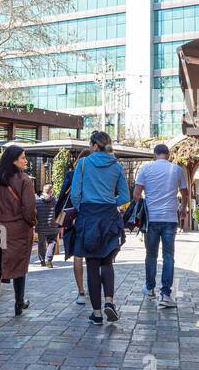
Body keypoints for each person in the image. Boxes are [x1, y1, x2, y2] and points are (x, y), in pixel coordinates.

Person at [70, 130, 130, 325]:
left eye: (90, 145)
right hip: (109, 217)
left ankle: (96, 313)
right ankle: (109, 302)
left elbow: (75, 195)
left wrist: (83, 208)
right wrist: (110, 202)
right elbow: (125, 197)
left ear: (95, 145)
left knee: (92, 265)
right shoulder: (117, 166)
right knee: (107, 262)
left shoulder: (83, 163)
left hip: (88, 216)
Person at [0, 144, 37, 330]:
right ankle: (19, 303)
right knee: (20, 264)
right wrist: (31, 223)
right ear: (13, 160)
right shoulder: (24, 180)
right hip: (18, 230)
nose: (26, 161)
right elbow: (28, 209)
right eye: (23, 157)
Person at [133, 143, 188, 307]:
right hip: (170, 219)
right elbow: (185, 194)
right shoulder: (177, 170)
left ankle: (150, 289)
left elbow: (136, 194)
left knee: (151, 256)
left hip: (151, 219)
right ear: (168, 155)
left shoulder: (145, 169)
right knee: (168, 256)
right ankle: (165, 295)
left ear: (154, 154)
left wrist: (144, 204)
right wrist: (183, 209)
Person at [56, 149, 89, 306]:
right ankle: (92, 288)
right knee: (94, 256)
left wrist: (57, 218)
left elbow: (62, 196)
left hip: (72, 218)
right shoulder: (94, 175)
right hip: (91, 217)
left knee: (78, 255)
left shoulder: (71, 174)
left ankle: (81, 291)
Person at [35, 184, 59, 267]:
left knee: (41, 243)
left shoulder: (37, 201)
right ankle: (48, 259)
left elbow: (34, 213)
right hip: (53, 226)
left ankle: (42, 261)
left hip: (41, 226)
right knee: (52, 242)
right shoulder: (55, 201)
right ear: (51, 191)